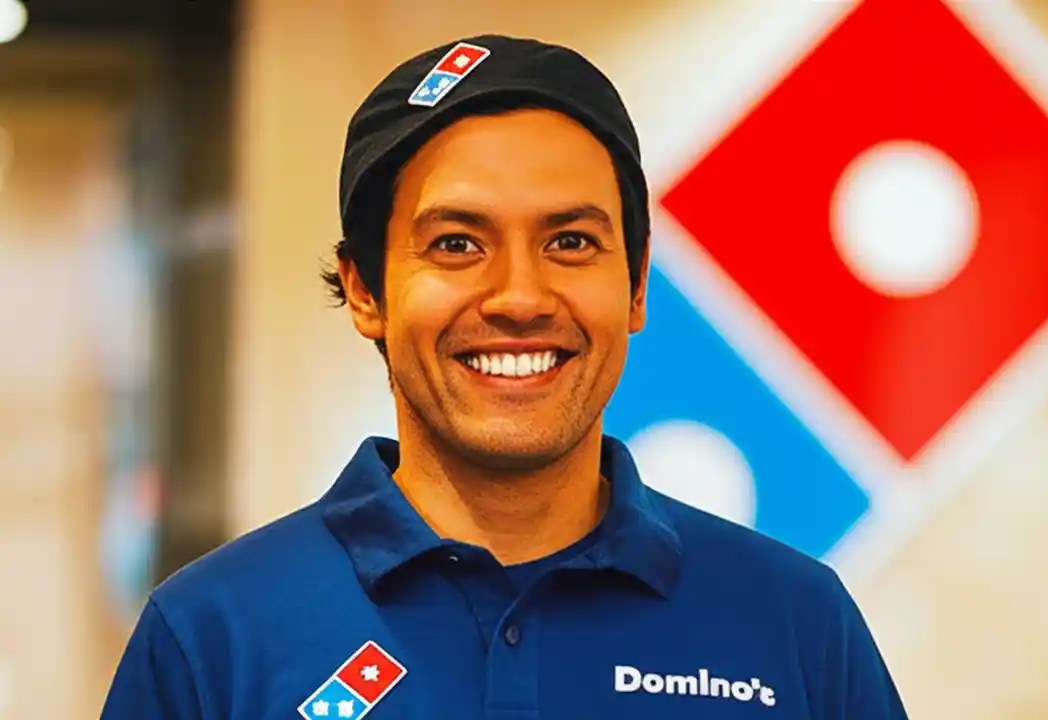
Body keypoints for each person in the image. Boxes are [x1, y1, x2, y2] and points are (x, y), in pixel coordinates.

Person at [101, 35, 908, 719]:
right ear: (364, 289)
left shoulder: (796, 625)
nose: (520, 297)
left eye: (571, 242)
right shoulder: (211, 637)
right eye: (456, 243)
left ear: (635, 288)